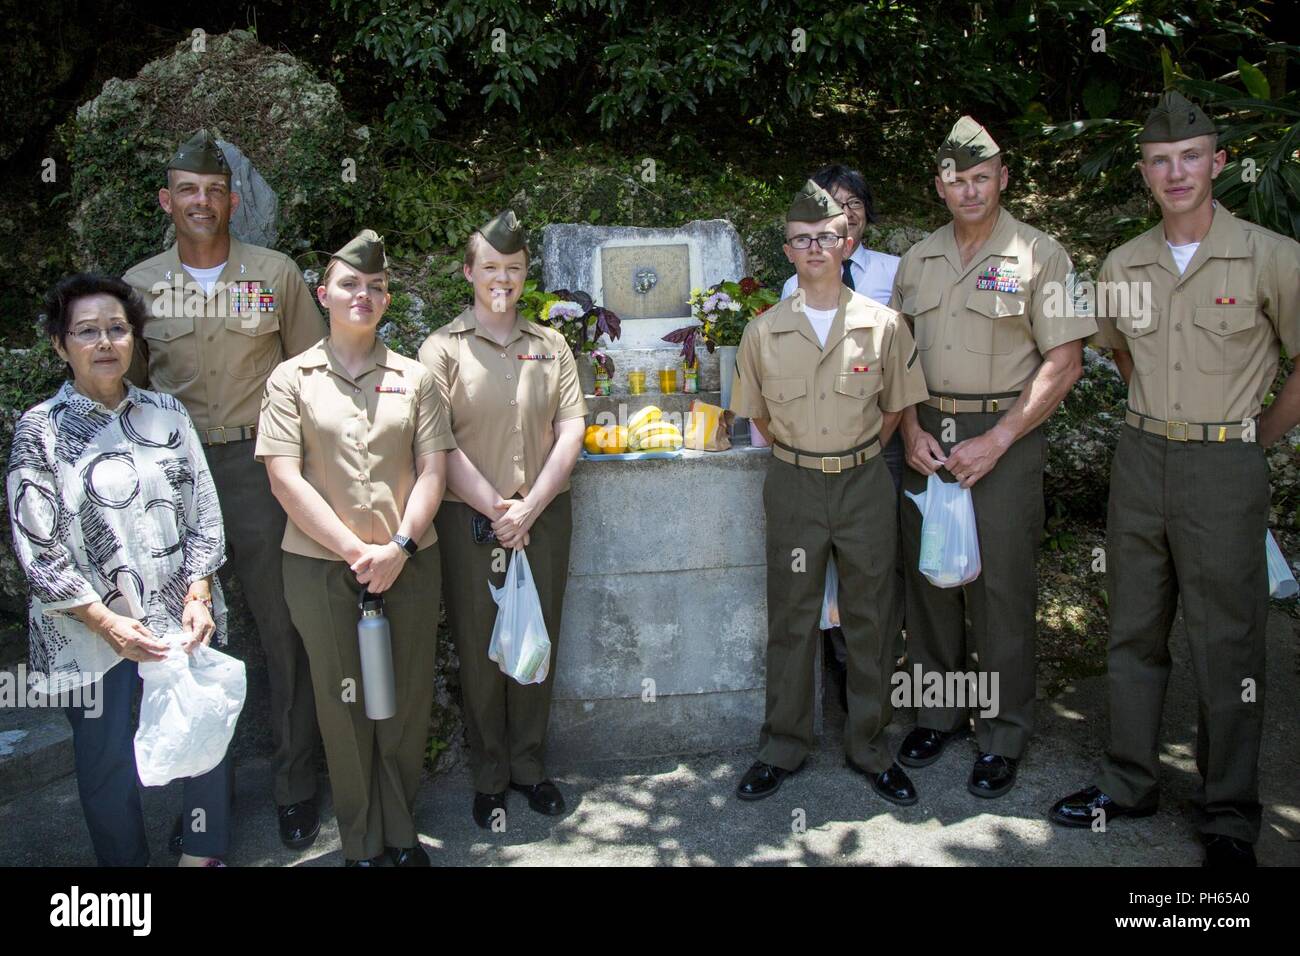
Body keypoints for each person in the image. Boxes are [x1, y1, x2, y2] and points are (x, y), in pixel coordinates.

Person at [1050, 92, 1300, 867]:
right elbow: (1117, 347)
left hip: (1225, 463)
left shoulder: (1272, 256)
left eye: (1191, 156)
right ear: (1146, 175)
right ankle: (1129, 783)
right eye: (1160, 162)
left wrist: (1254, 437)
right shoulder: (1123, 262)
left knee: (1228, 641)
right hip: (1141, 456)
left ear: (1218, 163)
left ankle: (1229, 815)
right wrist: (1154, 407)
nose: (1176, 171)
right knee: (1132, 628)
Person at [123, 130, 327, 851]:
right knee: (182, 636)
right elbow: (130, 388)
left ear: (232, 199)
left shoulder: (274, 274)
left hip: (259, 470)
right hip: (174, 475)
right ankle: (199, 802)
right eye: (187, 189)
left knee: (283, 629)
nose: (201, 201)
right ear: (166, 200)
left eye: (213, 189)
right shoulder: (141, 284)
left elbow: (314, 377)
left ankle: (296, 782)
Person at [889, 118, 1094, 800]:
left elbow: (1064, 363)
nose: (969, 190)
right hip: (928, 430)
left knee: (1002, 586)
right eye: (956, 180)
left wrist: (1001, 437)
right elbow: (897, 358)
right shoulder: (917, 259)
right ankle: (938, 712)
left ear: (1003, 178)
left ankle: (1002, 731)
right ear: (940, 186)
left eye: (982, 178)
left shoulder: (1042, 255)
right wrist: (911, 427)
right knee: (931, 580)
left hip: (1005, 430)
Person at [7, 273, 232, 867]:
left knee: (202, 726)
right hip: (88, 628)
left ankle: (202, 853)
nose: (104, 342)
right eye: (86, 332)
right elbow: (38, 545)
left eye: (116, 329)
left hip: (178, 609)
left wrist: (200, 591)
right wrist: (105, 622)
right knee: (105, 759)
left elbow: (202, 509)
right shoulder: (40, 429)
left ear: (133, 339)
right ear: (60, 344)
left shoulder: (166, 412)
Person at [255, 230, 454, 866]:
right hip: (320, 568)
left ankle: (401, 833)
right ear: (324, 295)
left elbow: (433, 470)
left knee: (405, 698)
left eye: (374, 286)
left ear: (388, 298)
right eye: (349, 284)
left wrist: (396, 545)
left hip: (408, 563)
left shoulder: (416, 379)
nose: (361, 295)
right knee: (343, 704)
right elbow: (284, 477)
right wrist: (353, 550)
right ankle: (361, 842)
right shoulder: (290, 380)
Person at [730, 180, 929, 805]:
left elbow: (896, 409)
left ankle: (870, 747)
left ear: (845, 242)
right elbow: (756, 417)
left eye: (826, 236)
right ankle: (783, 745)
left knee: (872, 616)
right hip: (792, 484)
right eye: (801, 239)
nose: (814, 247)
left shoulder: (887, 326)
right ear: (787, 251)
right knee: (791, 615)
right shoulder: (762, 332)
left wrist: (853, 450)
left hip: (865, 482)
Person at [418, 210, 587, 829]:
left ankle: (530, 767)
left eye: (513, 269)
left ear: (524, 276)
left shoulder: (551, 345)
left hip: (542, 516)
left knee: (538, 640)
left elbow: (571, 429)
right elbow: (436, 442)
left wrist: (531, 506)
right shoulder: (441, 349)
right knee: (481, 645)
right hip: (472, 522)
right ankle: (490, 775)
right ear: (469, 272)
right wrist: (496, 509)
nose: (502, 279)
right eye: (490, 267)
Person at [781, 164, 905, 709]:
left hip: (883, 441)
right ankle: (836, 671)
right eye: (830, 201)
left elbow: (901, 372)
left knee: (875, 566)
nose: (843, 210)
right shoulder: (793, 284)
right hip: (816, 452)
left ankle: (875, 681)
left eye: (852, 201)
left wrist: (873, 442)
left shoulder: (896, 271)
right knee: (818, 569)